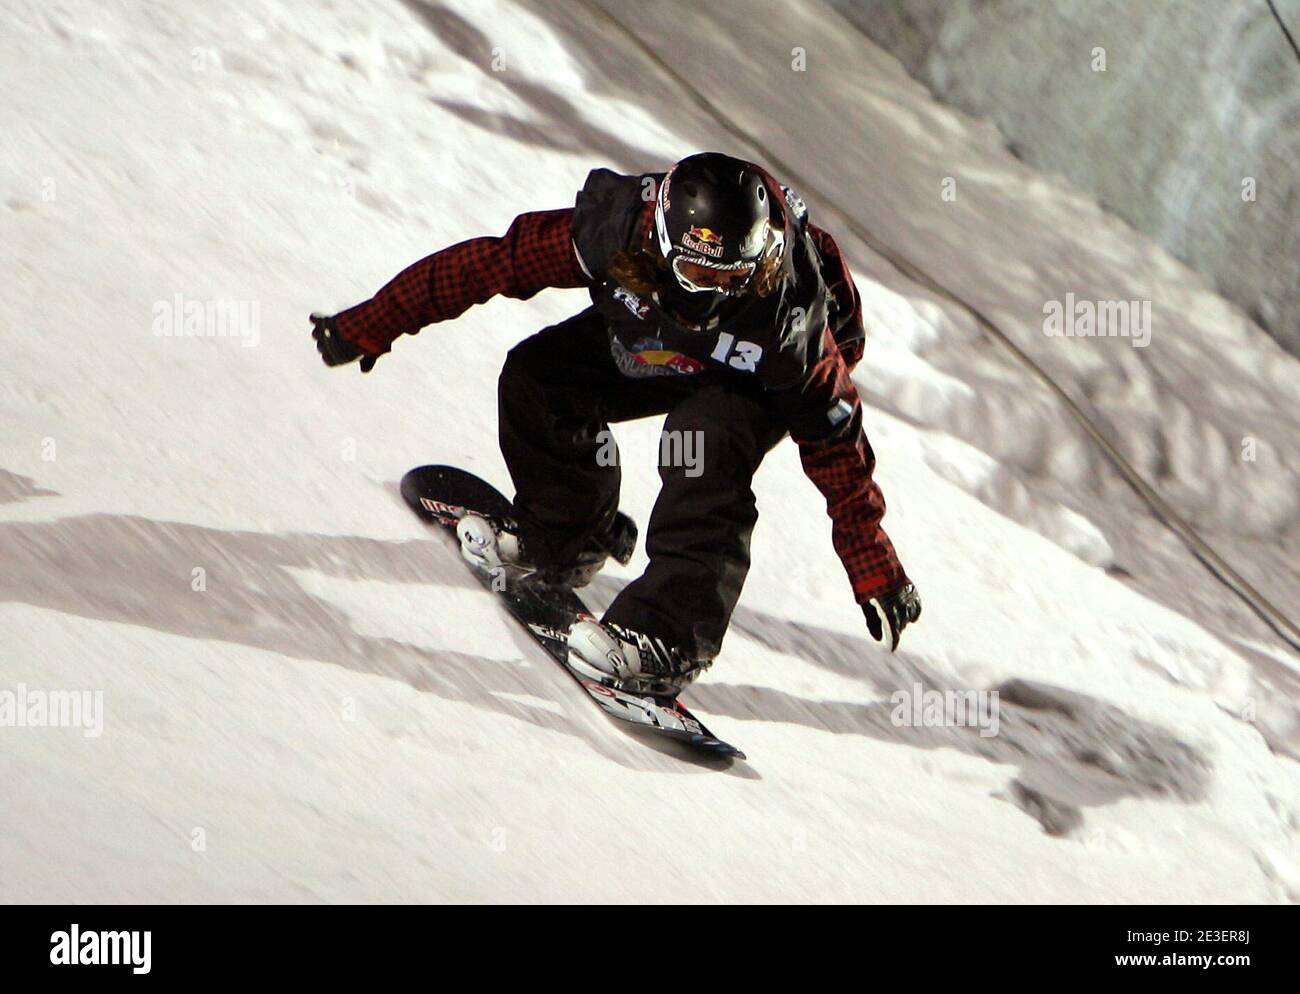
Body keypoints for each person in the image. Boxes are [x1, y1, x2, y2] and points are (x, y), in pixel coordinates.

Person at [312, 152, 920, 699]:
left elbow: (838, 441)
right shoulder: (616, 230)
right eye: (698, 274)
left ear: (758, 265)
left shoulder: (793, 328)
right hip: (657, 340)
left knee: (697, 449)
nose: (711, 293)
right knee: (539, 377)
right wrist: (373, 321)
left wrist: (871, 562)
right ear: (659, 239)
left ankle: (667, 640)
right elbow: (491, 264)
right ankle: (564, 534)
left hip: (749, 376)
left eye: (730, 281)